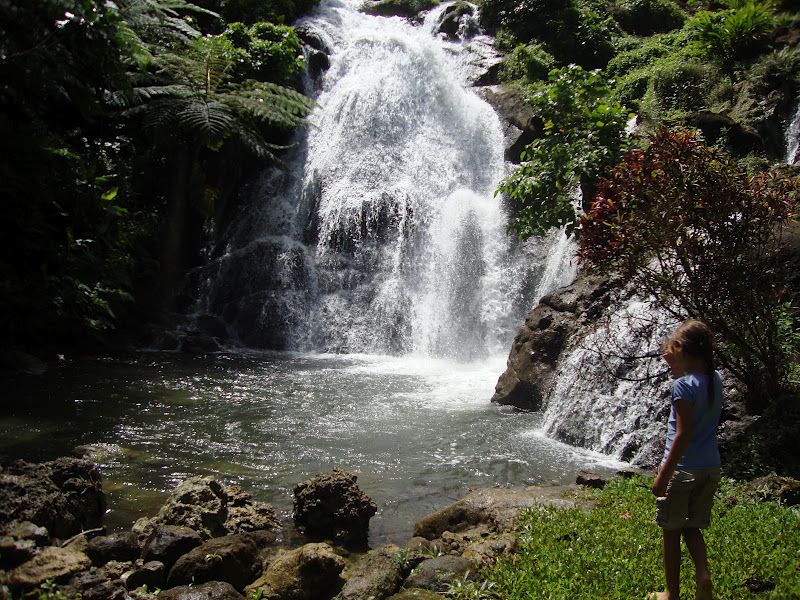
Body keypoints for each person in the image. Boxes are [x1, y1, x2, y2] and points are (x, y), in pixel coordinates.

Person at [649, 320, 723, 600]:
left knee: (671, 531)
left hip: (682, 471)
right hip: (710, 468)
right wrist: (676, 360)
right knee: (693, 526)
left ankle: (671, 593)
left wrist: (663, 475)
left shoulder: (683, 386)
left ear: (680, 349)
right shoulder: (715, 379)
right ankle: (703, 575)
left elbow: (682, 435)